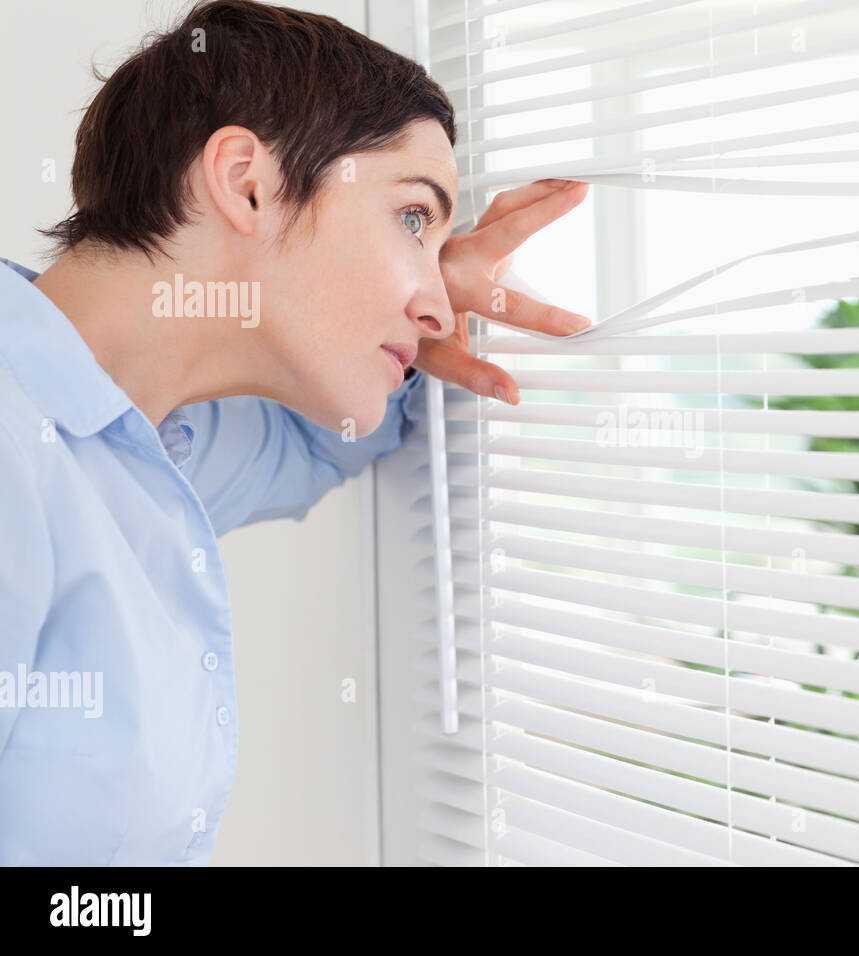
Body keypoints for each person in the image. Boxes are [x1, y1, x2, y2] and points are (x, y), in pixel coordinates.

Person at [0, 0, 589, 865]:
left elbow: (334, 435)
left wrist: (431, 299)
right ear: (247, 182)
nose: (433, 299)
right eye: (414, 218)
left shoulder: (160, 442)